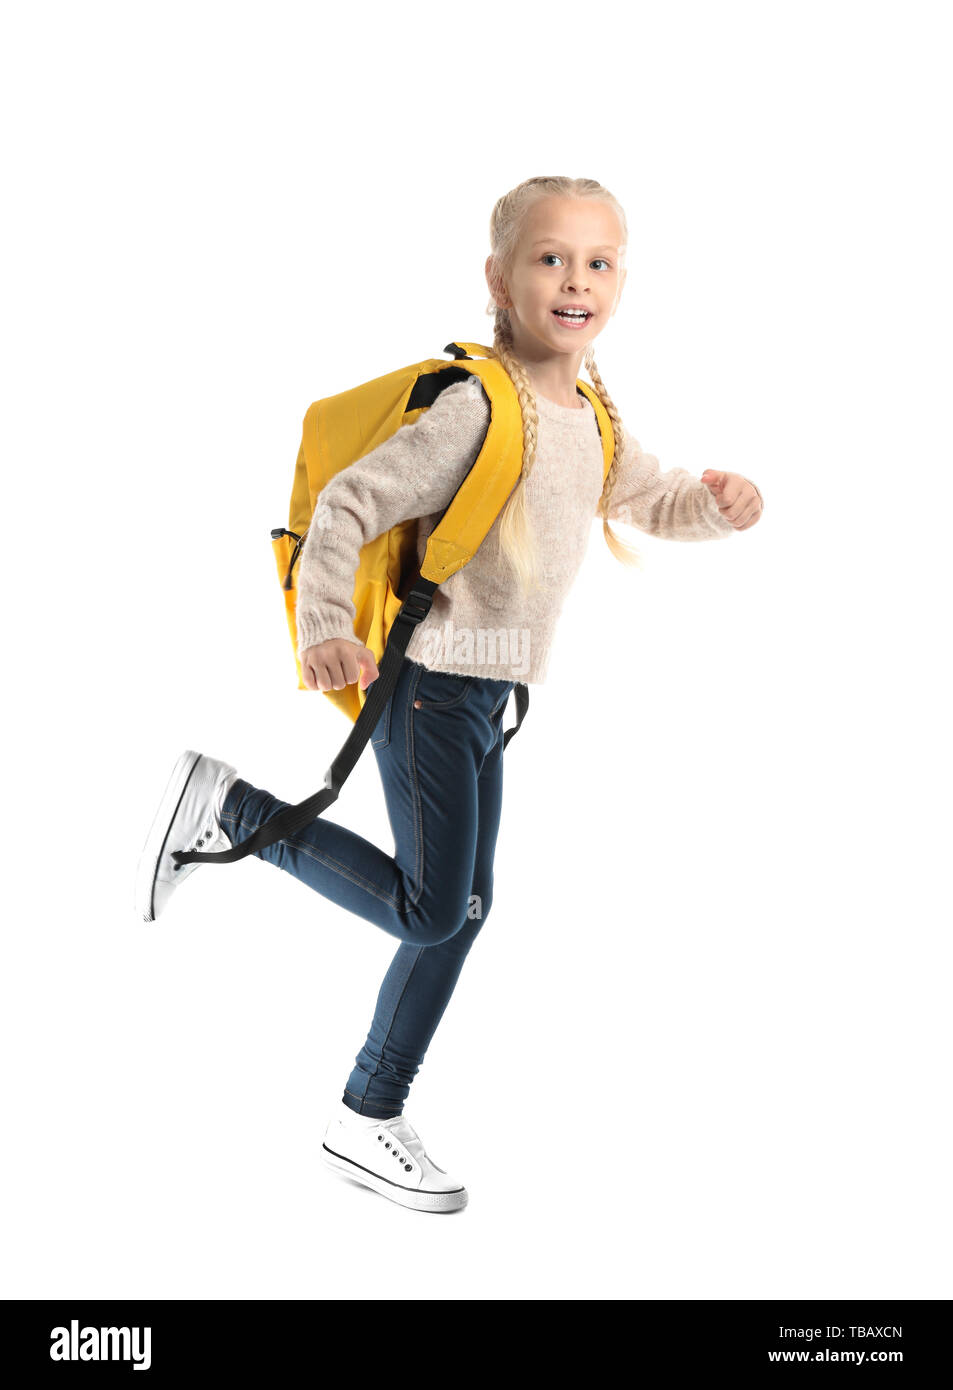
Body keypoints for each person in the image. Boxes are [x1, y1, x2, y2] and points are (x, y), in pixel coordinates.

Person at [135, 175, 764, 1215]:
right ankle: (233, 811)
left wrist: (719, 506)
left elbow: (644, 492)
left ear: (620, 283)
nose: (574, 280)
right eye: (549, 258)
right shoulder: (482, 406)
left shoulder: (589, 410)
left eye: (597, 263)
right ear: (498, 279)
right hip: (432, 689)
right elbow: (347, 505)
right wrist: (325, 628)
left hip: (488, 698)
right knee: (437, 911)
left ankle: (367, 1110)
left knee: (461, 912)